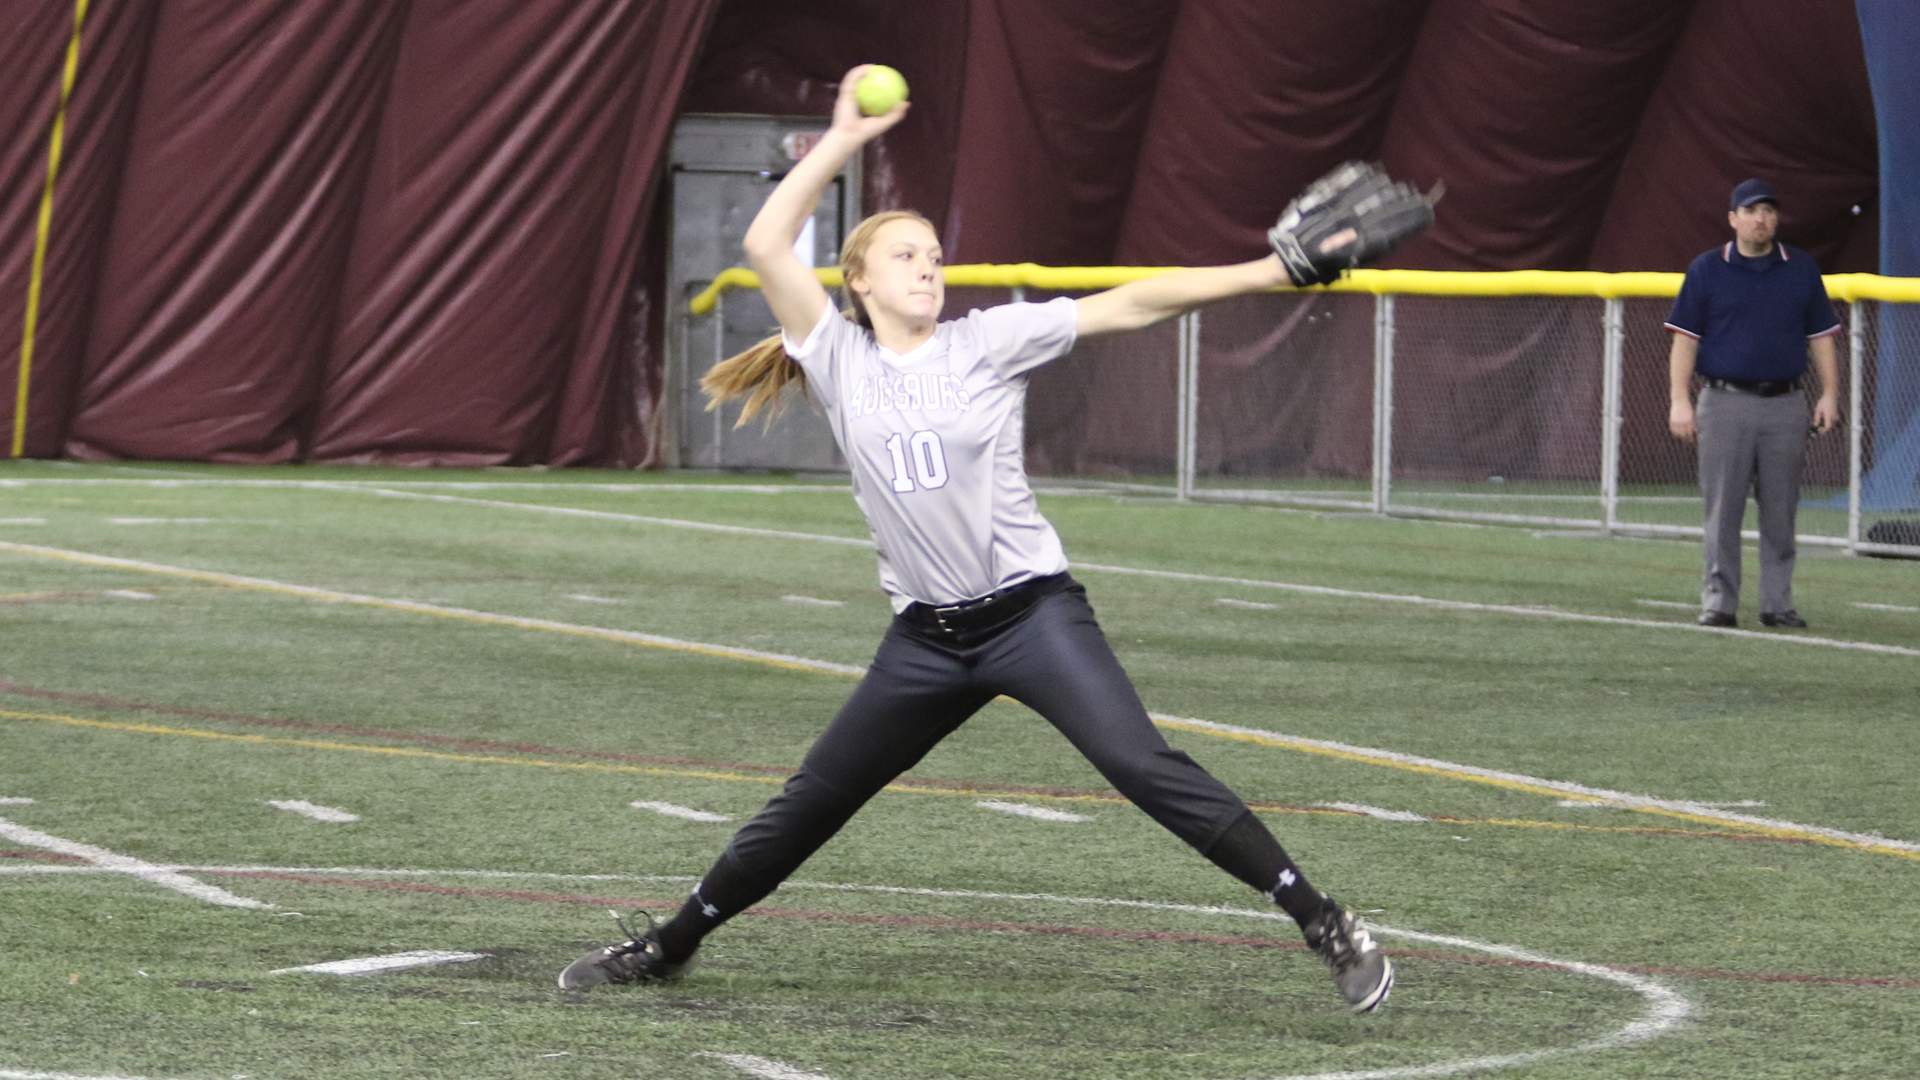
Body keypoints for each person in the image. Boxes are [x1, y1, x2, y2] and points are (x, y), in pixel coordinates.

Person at [559, 65, 1412, 1012]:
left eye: (934, 254)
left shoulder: (986, 341)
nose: (928, 267)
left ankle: (1324, 921)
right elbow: (764, 241)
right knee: (814, 799)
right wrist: (843, 138)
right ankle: (671, 945)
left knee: (1142, 765)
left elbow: (1134, 302)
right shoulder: (837, 356)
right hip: (927, 642)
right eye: (905, 255)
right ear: (858, 280)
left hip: (1032, 619)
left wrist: (1271, 269)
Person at [1666, 178, 1842, 629]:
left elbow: (1821, 337)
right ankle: (1719, 603)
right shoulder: (1707, 268)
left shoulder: (1800, 268)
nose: (1760, 219)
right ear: (1733, 218)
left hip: (1785, 403)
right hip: (1725, 401)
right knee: (1723, 509)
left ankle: (1777, 603)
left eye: (1768, 211)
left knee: (1781, 511)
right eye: (1750, 211)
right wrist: (1679, 401)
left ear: (1776, 218)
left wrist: (1829, 394)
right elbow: (1685, 340)